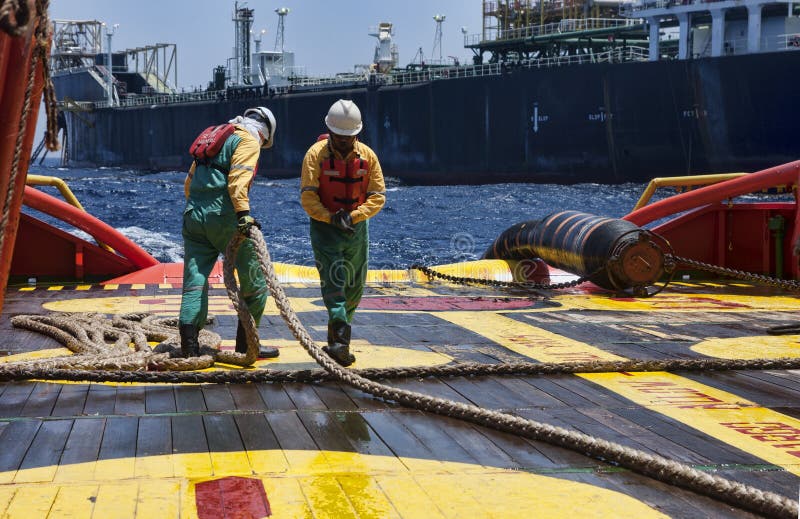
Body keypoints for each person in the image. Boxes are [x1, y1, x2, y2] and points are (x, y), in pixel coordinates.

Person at [178, 106, 280, 359]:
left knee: (195, 281)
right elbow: (238, 180)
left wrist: (200, 210)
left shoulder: (217, 136)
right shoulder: (248, 140)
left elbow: (188, 184)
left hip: (193, 215)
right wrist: (244, 216)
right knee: (255, 283)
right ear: (265, 134)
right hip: (225, 217)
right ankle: (247, 346)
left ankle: (190, 348)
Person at [300, 99, 386, 366]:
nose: (344, 142)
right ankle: (339, 343)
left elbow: (378, 196)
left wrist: (354, 216)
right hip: (325, 229)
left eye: (349, 137)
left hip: (357, 229)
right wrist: (330, 217)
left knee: (355, 287)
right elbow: (308, 198)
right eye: (340, 137)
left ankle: (338, 338)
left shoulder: (368, 157)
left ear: (356, 134)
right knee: (334, 284)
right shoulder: (315, 155)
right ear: (331, 132)